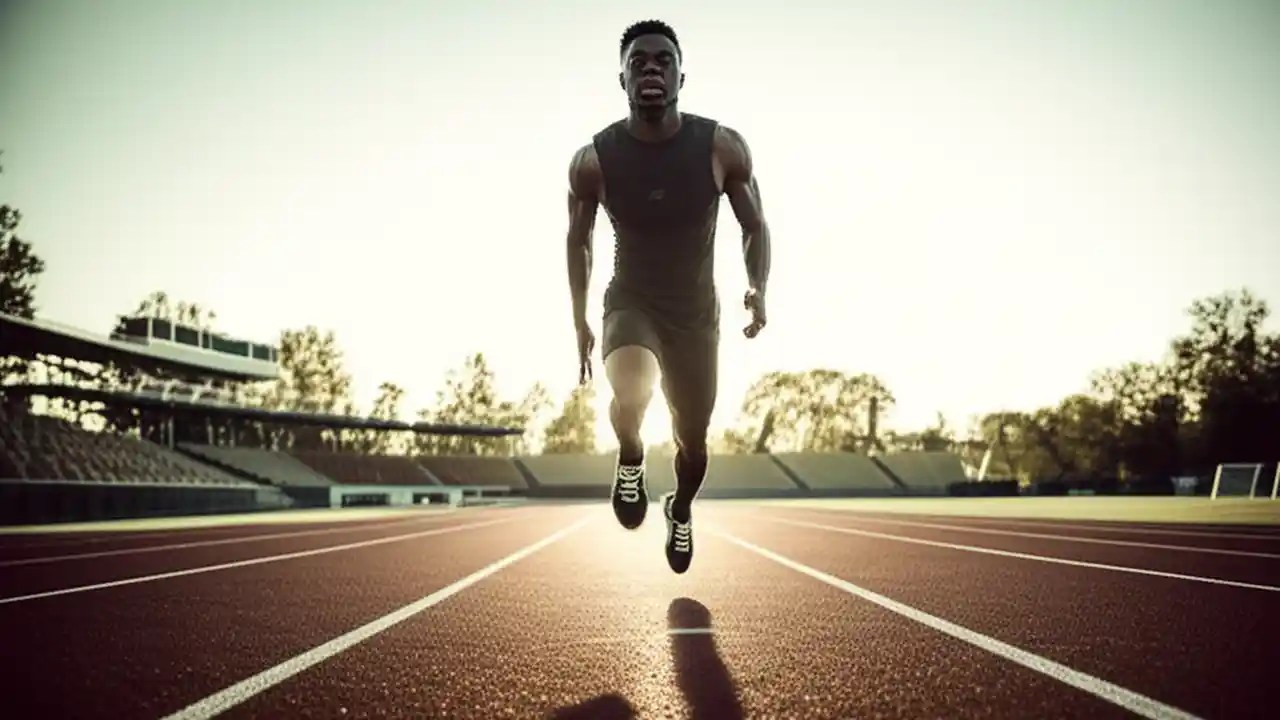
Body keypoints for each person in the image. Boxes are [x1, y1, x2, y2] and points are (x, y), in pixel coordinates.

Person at [564, 20, 771, 573]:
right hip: (630, 300)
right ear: (623, 79)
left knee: (694, 443)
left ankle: (679, 509)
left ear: (681, 75)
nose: (651, 69)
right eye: (639, 63)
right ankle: (630, 456)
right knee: (629, 386)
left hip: (696, 316)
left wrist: (758, 287)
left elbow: (755, 225)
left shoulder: (721, 147)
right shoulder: (594, 160)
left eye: (662, 61)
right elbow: (578, 240)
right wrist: (580, 317)